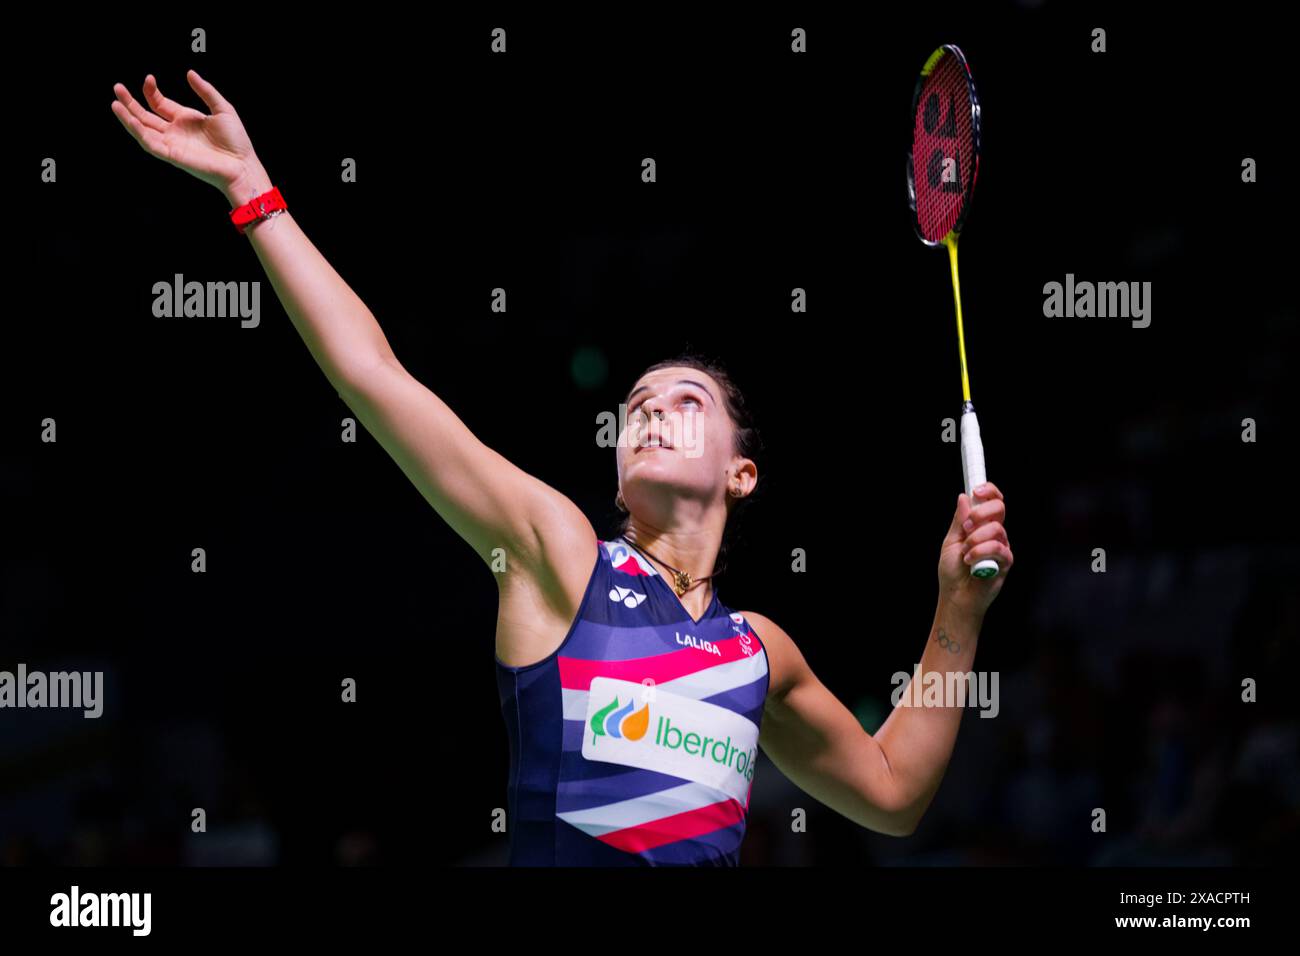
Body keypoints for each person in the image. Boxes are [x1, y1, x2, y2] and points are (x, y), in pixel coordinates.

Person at [111, 70, 1015, 866]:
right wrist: (253, 192)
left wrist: (959, 608)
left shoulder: (758, 652)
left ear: (742, 474)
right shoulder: (560, 557)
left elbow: (893, 794)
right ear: (618, 476)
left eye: (688, 402)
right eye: (638, 407)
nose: (654, 409)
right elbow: (375, 376)